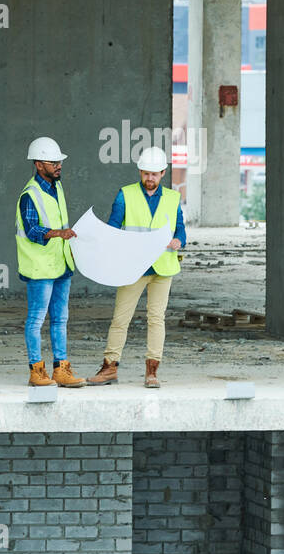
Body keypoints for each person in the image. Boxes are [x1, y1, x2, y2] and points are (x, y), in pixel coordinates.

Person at [87, 146, 186, 389]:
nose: (149, 178)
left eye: (154, 174)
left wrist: (179, 241)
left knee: (156, 319)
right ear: (140, 171)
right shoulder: (126, 195)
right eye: (145, 173)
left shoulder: (173, 199)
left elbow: (180, 228)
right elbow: (112, 228)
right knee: (121, 319)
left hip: (163, 267)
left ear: (163, 173)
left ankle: (152, 372)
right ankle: (109, 367)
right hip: (133, 268)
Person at [16, 137, 86, 389]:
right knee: (36, 319)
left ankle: (61, 369)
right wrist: (60, 234)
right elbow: (33, 230)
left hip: (60, 264)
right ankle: (36, 370)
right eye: (53, 162)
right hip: (40, 268)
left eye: (59, 162)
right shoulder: (30, 194)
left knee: (60, 319)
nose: (58, 166)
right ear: (38, 164)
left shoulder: (57, 188)